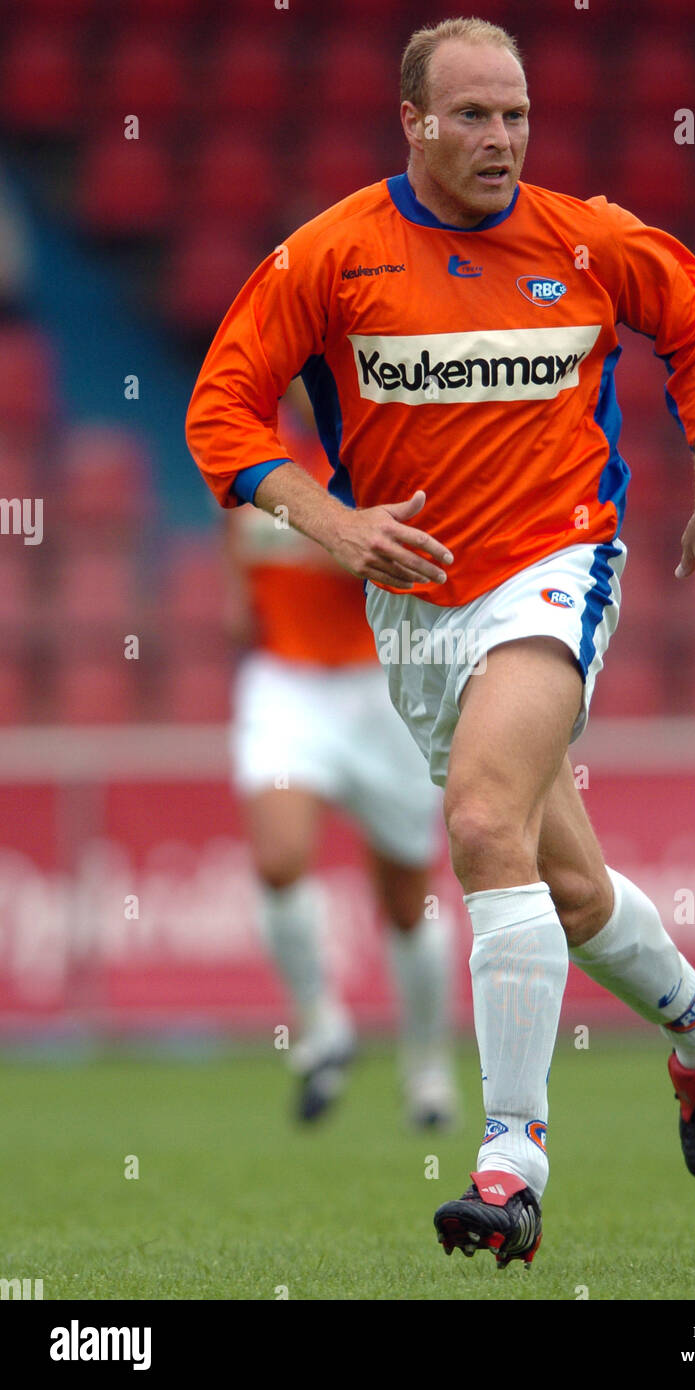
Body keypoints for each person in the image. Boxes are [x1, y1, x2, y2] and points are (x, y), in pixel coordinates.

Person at [187, 16, 695, 1268]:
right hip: (417, 609)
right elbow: (220, 412)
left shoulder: (584, 237)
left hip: (559, 571)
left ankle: (511, 1158)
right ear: (412, 121)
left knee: (479, 825)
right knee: (559, 888)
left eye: (513, 114)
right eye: (471, 116)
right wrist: (331, 518)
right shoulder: (331, 254)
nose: (499, 138)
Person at [224, 378, 456, 1128]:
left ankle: (426, 1069)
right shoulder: (254, 444)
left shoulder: (377, 438)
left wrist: (337, 543)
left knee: (406, 901)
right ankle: (322, 1028)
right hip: (287, 680)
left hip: (380, 682)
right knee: (278, 858)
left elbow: (409, 557)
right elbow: (239, 541)